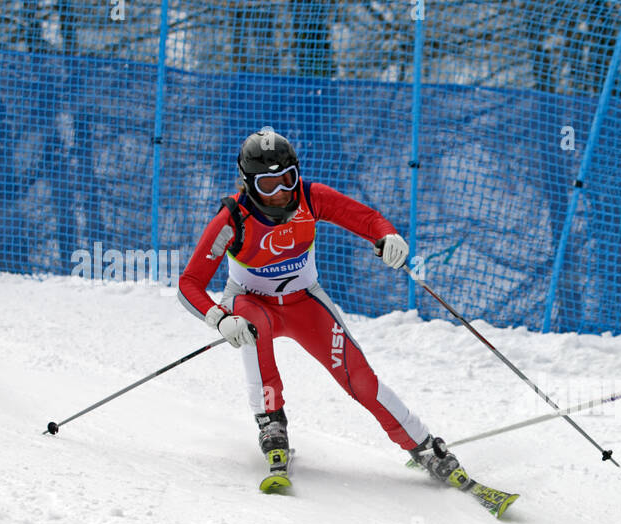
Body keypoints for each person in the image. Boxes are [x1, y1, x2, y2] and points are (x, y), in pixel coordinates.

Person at [177, 128, 464, 491]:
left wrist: (389, 236)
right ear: (249, 184)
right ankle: (271, 423)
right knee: (254, 324)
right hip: (250, 302)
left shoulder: (310, 197)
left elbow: (368, 219)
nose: (281, 192)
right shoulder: (232, 219)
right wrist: (219, 319)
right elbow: (189, 283)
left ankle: (424, 447)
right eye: (268, 185)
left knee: (359, 378)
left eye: (287, 179)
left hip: (304, 302)